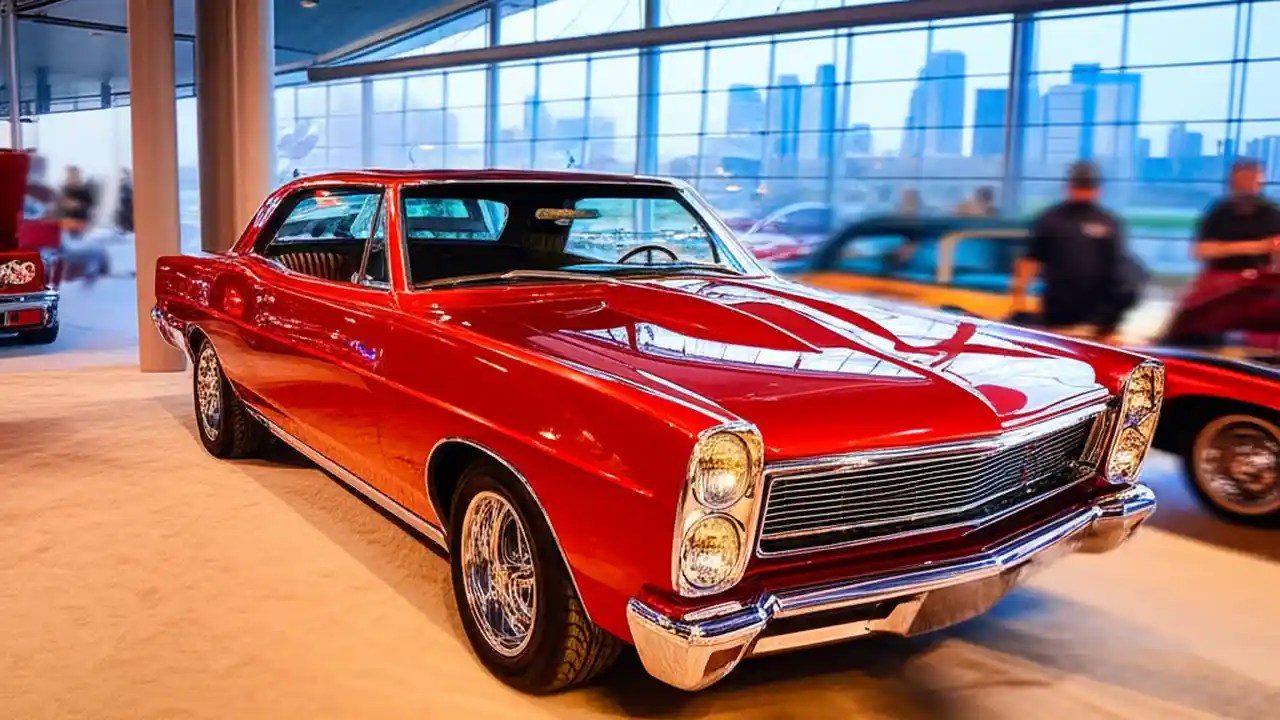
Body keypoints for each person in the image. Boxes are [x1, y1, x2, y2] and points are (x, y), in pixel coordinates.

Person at [1012, 161, 1133, 343]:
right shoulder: (1050, 220)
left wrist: (1112, 319)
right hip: (1058, 313)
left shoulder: (1109, 223)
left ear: (1098, 190)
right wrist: (1019, 296)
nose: (1083, 191)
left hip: (1100, 318)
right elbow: (1031, 259)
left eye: (1088, 187)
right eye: (1080, 186)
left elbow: (1118, 269)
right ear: (1069, 187)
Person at [1193, 159, 1280, 273]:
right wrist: (1259, 246)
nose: (1248, 186)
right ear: (1233, 182)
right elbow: (1201, 250)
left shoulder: (1272, 212)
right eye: (1244, 180)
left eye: (1253, 180)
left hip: (1261, 277)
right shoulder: (1219, 212)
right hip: (1222, 276)